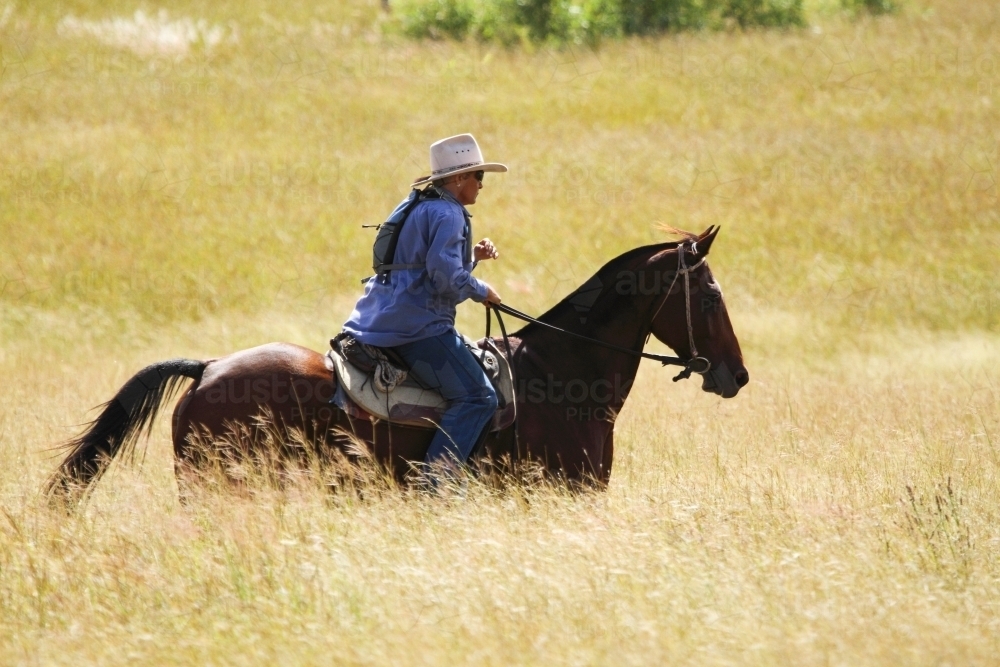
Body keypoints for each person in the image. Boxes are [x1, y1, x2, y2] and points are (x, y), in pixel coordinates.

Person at [342, 133, 506, 481]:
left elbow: (417, 266)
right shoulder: (449, 213)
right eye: (479, 176)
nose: (482, 185)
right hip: (416, 326)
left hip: (375, 318)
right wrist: (482, 290)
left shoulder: (418, 204)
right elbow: (445, 277)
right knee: (480, 398)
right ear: (459, 178)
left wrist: (470, 258)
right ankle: (435, 486)